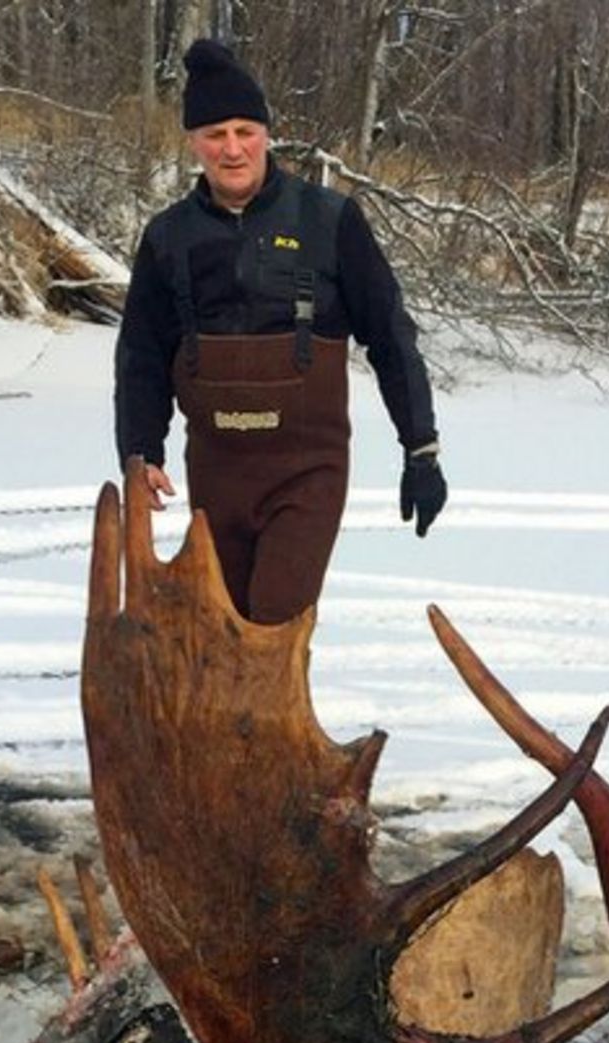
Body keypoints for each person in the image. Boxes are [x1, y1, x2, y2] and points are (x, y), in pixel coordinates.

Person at [114, 37, 447, 623]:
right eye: (215, 134)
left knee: (274, 622)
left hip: (306, 469)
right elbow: (142, 354)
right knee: (221, 626)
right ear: (193, 141)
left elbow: (390, 336)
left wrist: (420, 449)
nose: (233, 149)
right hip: (216, 471)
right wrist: (140, 452)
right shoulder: (168, 238)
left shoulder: (329, 220)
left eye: (245, 130)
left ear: (267, 133)